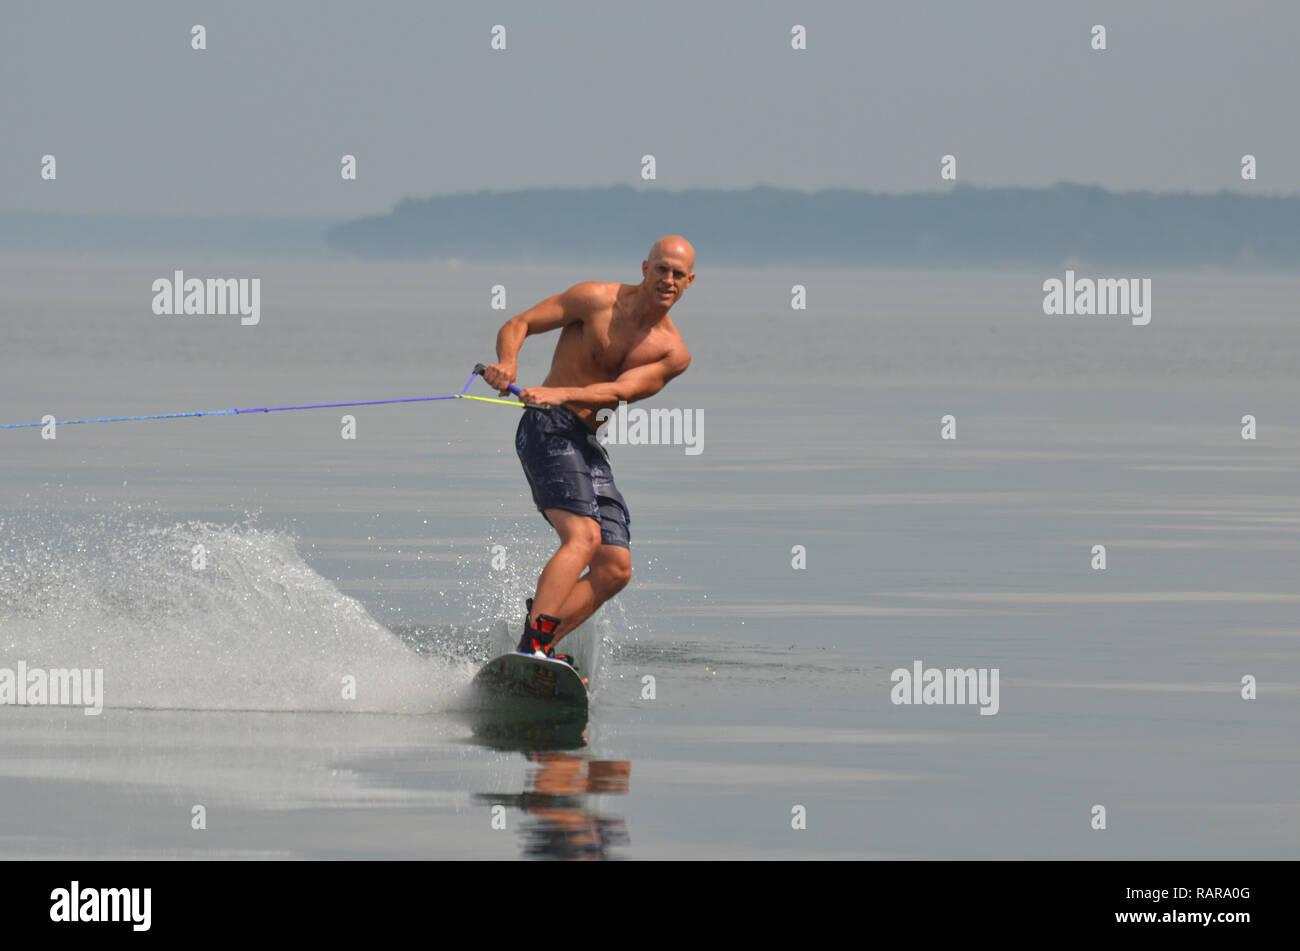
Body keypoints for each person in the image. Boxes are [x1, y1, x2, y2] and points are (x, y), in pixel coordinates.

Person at [482, 235, 695, 668]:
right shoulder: (594, 298)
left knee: (615, 567)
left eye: (677, 274)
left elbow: (620, 390)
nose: (667, 279)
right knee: (582, 537)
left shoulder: (673, 353)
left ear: (689, 282)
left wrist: (561, 394)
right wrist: (507, 364)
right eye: (661, 269)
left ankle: (533, 645)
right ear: (645, 268)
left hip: (585, 440)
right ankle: (537, 647)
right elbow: (518, 323)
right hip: (546, 428)